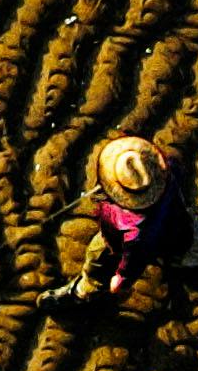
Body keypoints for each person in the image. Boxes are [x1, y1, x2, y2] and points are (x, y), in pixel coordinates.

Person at [75, 126, 190, 303]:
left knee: (96, 257)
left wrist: (121, 278)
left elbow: (135, 256)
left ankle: (86, 291)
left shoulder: (132, 228)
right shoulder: (167, 169)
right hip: (173, 223)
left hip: (122, 240)